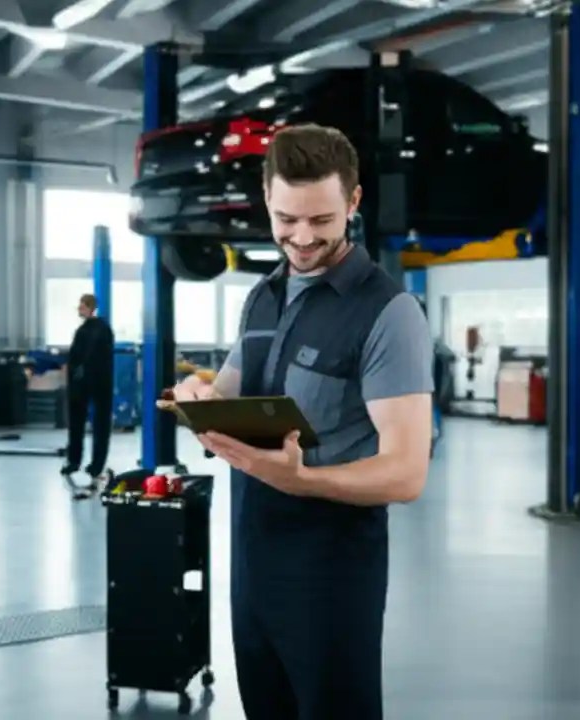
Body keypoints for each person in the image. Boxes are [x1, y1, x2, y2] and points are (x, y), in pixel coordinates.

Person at [171, 123, 434, 719]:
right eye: (287, 219)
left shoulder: (388, 313)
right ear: (267, 199)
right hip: (252, 565)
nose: (302, 237)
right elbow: (232, 391)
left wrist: (303, 480)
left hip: (331, 579)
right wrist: (198, 396)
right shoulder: (262, 296)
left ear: (354, 202)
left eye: (321, 220)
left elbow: (406, 472)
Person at [63, 293, 114, 483]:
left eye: (81, 306)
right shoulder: (85, 330)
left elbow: (95, 358)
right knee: (77, 423)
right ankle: (75, 461)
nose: (78, 309)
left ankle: (94, 464)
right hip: (82, 383)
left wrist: (81, 372)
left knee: (99, 424)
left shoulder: (100, 330)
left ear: (89, 307)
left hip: (97, 383)